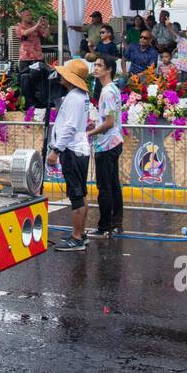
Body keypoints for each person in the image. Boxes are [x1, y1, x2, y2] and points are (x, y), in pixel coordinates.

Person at [47, 59, 93, 252]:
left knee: (76, 194)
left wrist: (56, 150)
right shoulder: (81, 96)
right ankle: (80, 233)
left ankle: (76, 237)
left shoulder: (74, 98)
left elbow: (69, 127)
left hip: (72, 149)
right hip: (79, 148)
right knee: (81, 192)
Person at [87, 55, 124, 239]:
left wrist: (90, 133)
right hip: (112, 142)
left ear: (109, 69)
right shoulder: (112, 90)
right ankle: (116, 223)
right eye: (95, 65)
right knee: (113, 185)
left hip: (107, 144)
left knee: (106, 187)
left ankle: (105, 227)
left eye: (100, 65)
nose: (96, 68)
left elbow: (109, 122)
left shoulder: (108, 92)